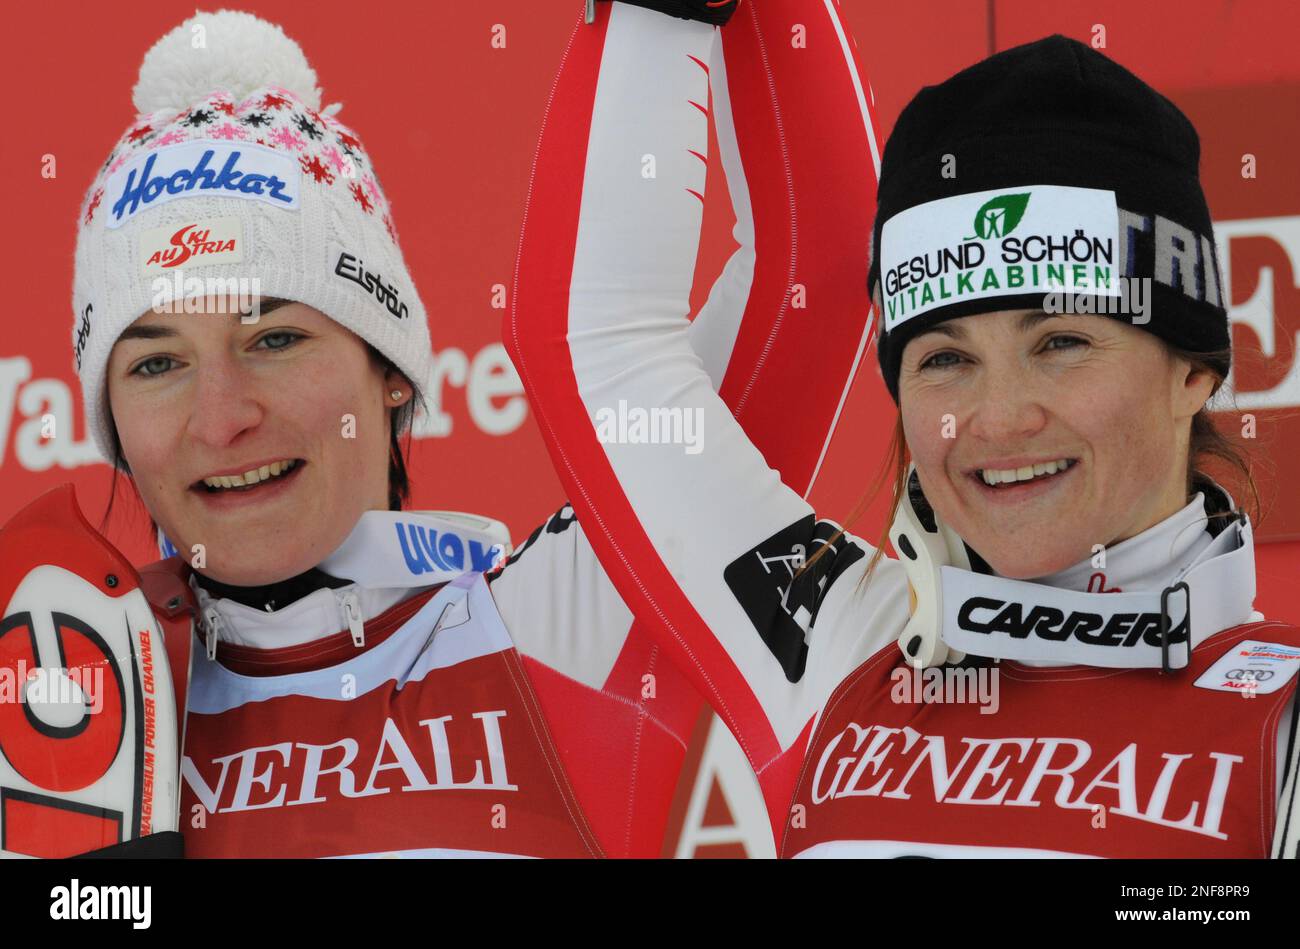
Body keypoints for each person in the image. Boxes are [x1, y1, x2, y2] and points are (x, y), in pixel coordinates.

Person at [1, 0, 881, 857]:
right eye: (157, 363)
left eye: (274, 338)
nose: (222, 418)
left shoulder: (576, 616)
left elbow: (817, 263)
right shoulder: (51, 713)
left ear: (390, 375)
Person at [510, 17, 1300, 858]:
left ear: (1193, 370)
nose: (998, 419)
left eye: (1060, 343)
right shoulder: (845, 644)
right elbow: (601, 352)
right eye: (947, 358)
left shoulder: (1276, 725)